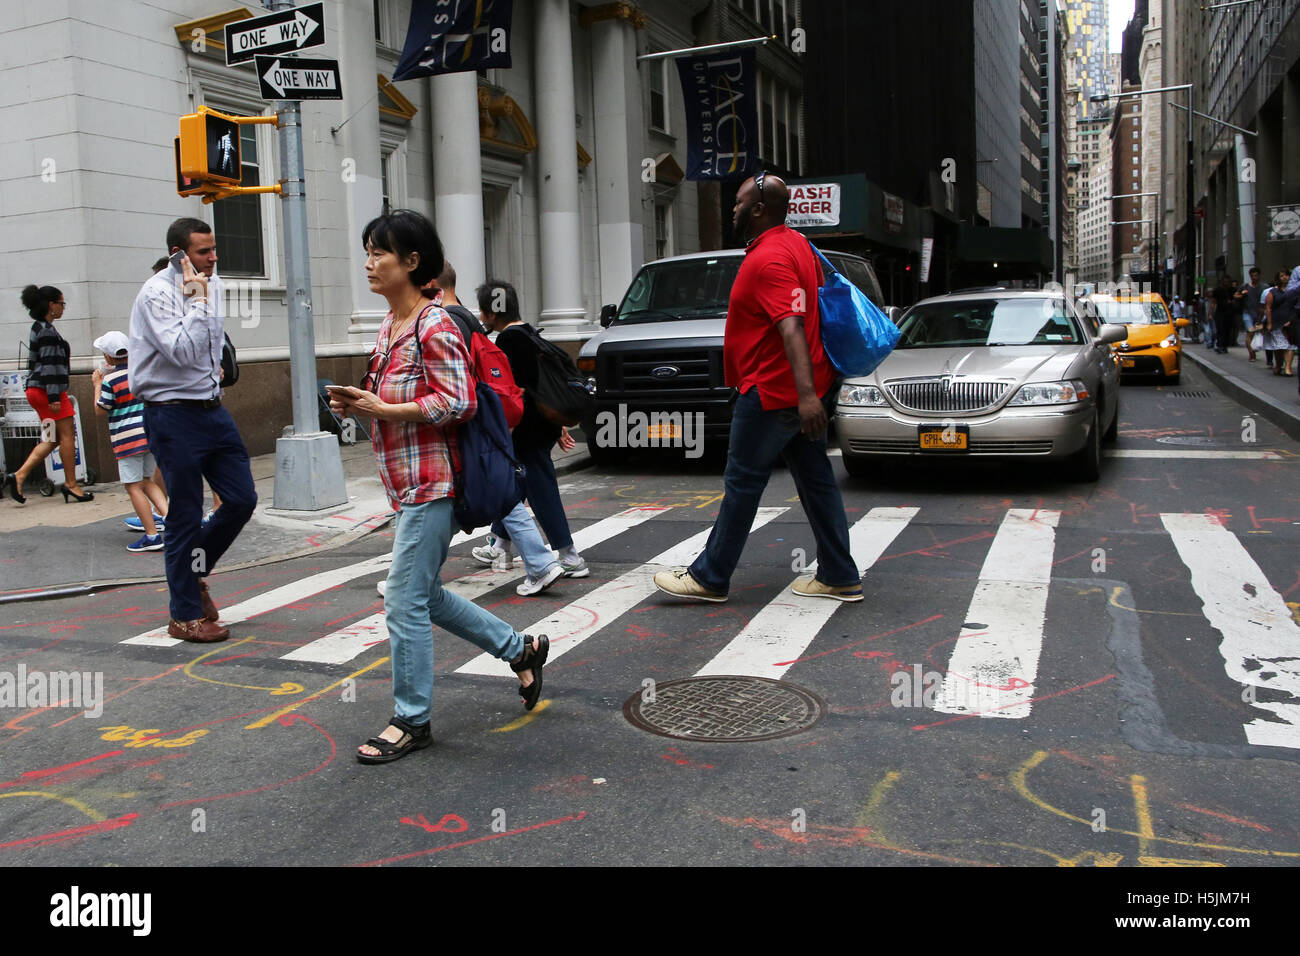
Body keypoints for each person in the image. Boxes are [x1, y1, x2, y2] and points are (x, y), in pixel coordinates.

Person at [328, 209, 548, 765]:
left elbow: (459, 402)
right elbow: (396, 401)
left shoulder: (435, 324)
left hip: (436, 483)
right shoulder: (389, 326)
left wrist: (386, 407)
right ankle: (519, 648)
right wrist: (360, 404)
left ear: (412, 262)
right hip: (404, 485)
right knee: (422, 595)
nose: (369, 263)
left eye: (379, 253)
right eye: (369, 251)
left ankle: (412, 719)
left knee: (402, 601)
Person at [654, 171, 861, 604]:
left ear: (759, 209)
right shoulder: (797, 245)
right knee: (816, 480)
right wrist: (811, 394)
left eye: (740, 201)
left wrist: (805, 398)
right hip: (801, 390)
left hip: (774, 392)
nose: (733, 208)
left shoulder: (769, 260)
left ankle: (710, 576)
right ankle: (839, 574)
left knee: (743, 482)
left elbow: (792, 327)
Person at [128, 218, 256, 643]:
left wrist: (216, 373)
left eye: (214, 249)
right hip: (171, 415)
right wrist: (197, 297)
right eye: (204, 252)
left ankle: (193, 571)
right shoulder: (157, 294)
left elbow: (208, 345)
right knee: (183, 513)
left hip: (211, 410)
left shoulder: (211, 284)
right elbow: (181, 351)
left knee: (241, 499)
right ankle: (183, 615)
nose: (214, 258)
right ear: (179, 255)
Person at [474, 279, 589, 580]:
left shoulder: (510, 342)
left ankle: (569, 555)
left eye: (483, 311)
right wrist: (557, 425)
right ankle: (499, 544)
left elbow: (518, 393)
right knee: (515, 485)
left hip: (527, 431)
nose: (482, 317)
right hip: (541, 427)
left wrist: (506, 430)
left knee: (540, 489)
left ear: (490, 313)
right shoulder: (532, 335)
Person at [6, 285, 93, 504]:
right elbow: (50, 365)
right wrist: (54, 397)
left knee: (52, 438)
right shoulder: (47, 331)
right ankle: (72, 485)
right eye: (61, 303)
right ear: (51, 305)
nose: (63, 308)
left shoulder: (38, 327)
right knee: (66, 436)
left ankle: (19, 476)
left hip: (37, 392)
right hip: (48, 392)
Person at [92, 331, 169, 551]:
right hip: (150, 434)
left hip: (127, 439)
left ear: (108, 358)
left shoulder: (110, 380)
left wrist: (97, 383)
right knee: (148, 481)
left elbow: (100, 409)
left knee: (133, 486)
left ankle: (152, 536)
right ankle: (173, 522)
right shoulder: (143, 373)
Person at [1265, 267, 1298, 377]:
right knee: (1279, 346)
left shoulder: (1294, 290)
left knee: (1290, 345)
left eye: (1286, 275)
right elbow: (1268, 308)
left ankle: (1288, 367)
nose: (1285, 278)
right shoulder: (1273, 292)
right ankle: (1279, 365)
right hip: (1277, 322)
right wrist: (1269, 323)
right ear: (1278, 278)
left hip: (1291, 320)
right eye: (1282, 276)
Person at [1237, 267, 1264, 362]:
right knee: (1250, 332)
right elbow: (1236, 295)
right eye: (1252, 276)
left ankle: (1254, 350)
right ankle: (1251, 353)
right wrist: (1242, 294)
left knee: (1258, 333)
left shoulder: (1264, 287)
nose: (1254, 278)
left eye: (1256, 275)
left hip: (1260, 314)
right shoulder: (1245, 286)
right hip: (1247, 313)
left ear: (1259, 276)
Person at [1212, 276, 1238, 354]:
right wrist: (1211, 313)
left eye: (1228, 282)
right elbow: (1214, 301)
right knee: (1220, 329)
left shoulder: (1232, 290)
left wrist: (1233, 302)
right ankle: (1220, 345)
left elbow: (1236, 298)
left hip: (1229, 313)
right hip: (1220, 312)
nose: (1226, 283)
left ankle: (1224, 346)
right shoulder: (1218, 290)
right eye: (1225, 282)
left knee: (1227, 330)